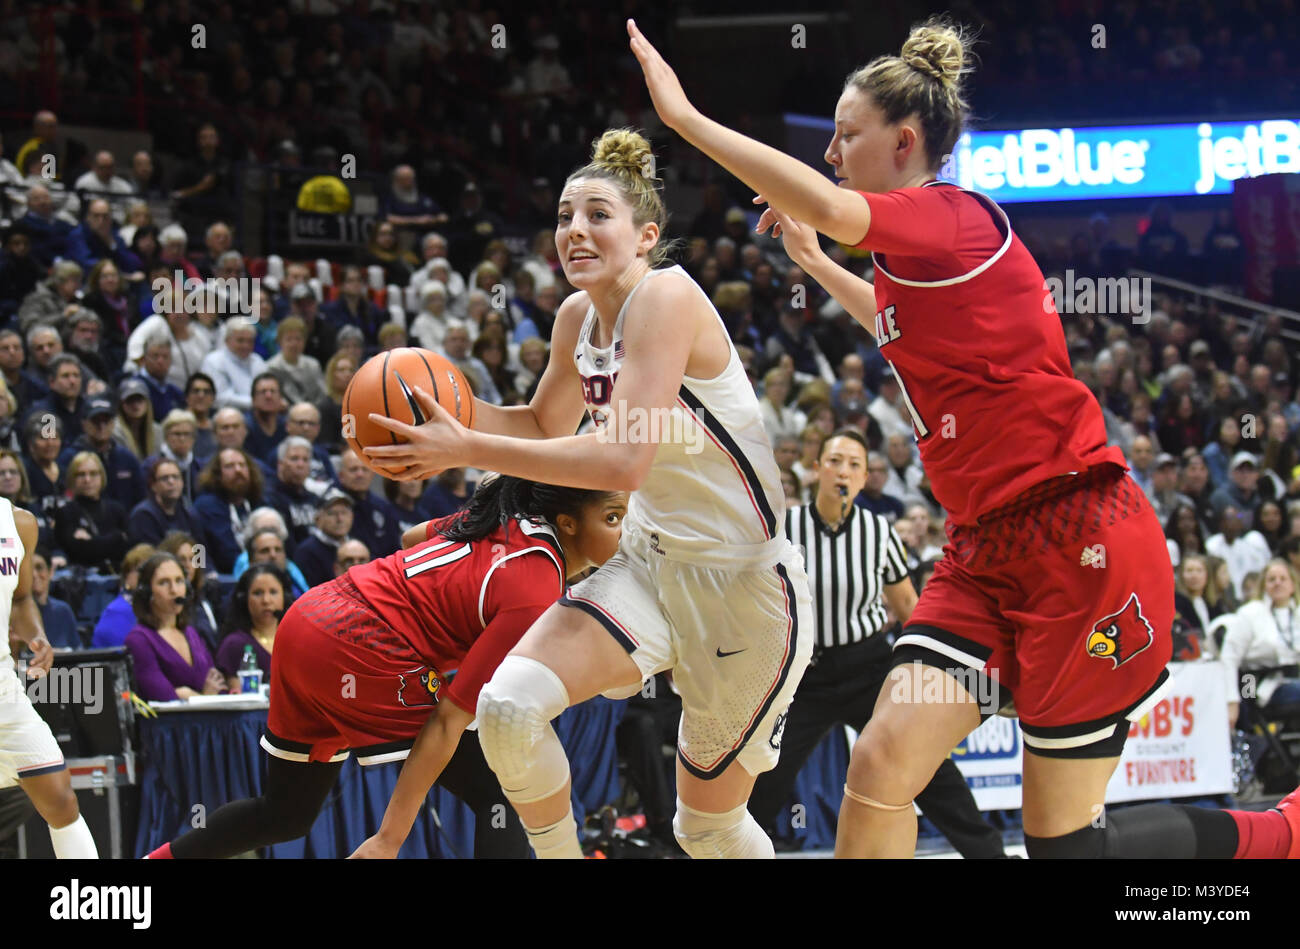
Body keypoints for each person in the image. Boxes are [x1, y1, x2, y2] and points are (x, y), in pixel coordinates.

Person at [625, 17, 1299, 858]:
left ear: (903, 142)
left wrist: (686, 120)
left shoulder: (953, 217)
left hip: (1080, 543)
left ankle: (1279, 831)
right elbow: (896, 327)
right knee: (879, 763)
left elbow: (833, 205)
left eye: (846, 135)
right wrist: (819, 266)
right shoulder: (916, 264)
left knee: (1065, 847)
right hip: (984, 552)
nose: (832, 152)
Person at [364, 128, 816, 861]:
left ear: (646, 235)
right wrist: (442, 412)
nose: (574, 229)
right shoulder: (577, 317)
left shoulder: (665, 296)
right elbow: (545, 423)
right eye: (565, 216)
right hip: (650, 561)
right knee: (507, 708)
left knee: (705, 830)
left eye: (596, 213)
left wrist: (467, 449)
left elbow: (623, 459)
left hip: (744, 586)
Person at [147, 476, 627, 861]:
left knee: (285, 813)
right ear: (566, 522)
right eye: (612, 518)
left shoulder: (504, 520)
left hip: (311, 615)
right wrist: (389, 839)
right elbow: (446, 721)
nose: (623, 532)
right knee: (501, 795)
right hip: (362, 644)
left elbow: (412, 537)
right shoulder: (534, 583)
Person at [749, 429, 1004, 855]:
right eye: (834, 461)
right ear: (816, 470)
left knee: (927, 767)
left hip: (866, 669)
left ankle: (988, 853)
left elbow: (907, 604)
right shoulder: (784, 527)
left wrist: (935, 669)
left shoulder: (878, 532)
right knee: (766, 774)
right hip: (803, 676)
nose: (843, 472)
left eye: (854, 465)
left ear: (866, 478)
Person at [0, 498, 99, 857]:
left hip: (2, 687)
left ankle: (91, 903)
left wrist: (37, 636)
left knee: (59, 800)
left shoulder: (19, 523)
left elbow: (23, 598)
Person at [124, 552, 227, 702]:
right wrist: (204, 697)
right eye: (164, 583)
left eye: (179, 581)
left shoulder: (191, 633)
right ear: (147, 591)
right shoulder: (139, 640)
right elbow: (164, 699)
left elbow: (219, 687)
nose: (174, 590)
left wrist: (190, 696)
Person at [1222, 559, 1300, 730]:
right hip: (1254, 686)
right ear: (1264, 585)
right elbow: (1229, 657)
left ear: (1293, 585)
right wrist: (1231, 701)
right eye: (1272, 579)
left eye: (1283, 578)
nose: (1277, 583)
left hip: (1291, 680)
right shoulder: (1250, 613)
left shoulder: (1297, 612)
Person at [214, 563, 291, 686]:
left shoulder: (296, 639)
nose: (266, 600)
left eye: (273, 592)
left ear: (285, 597)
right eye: (258, 593)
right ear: (244, 599)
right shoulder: (234, 644)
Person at [54, 451, 129, 572]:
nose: (87, 480)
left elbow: (127, 546)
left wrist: (92, 541)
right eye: (81, 474)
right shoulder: (66, 512)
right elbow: (79, 552)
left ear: (102, 476)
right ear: (72, 479)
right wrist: (116, 537)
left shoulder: (117, 510)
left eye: (93, 474)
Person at [128, 457, 206, 548]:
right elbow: (153, 557)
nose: (171, 482)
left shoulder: (190, 514)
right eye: (165, 478)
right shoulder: (143, 516)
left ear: (182, 483)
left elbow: (200, 550)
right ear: (153, 485)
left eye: (176, 477)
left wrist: (199, 562)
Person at [90, 544, 155, 648]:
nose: (145, 576)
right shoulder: (117, 611)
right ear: (126, 577)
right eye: (140, 571)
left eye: (150, 571)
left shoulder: (155, 607)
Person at [1173, 554, 1224, 659]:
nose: (1194, 575)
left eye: (1199, 570)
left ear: (1207, 575)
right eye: (1189, 571)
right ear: (1181, 575)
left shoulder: (1213, 604)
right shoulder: (1176, 604)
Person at [30, 549, 78, 650]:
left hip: (65, 666)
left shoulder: (63, 611)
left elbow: (78, 651)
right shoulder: (15, 614)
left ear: (51, 571)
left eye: (39, 568)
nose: (34, 574)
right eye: (28, 569)